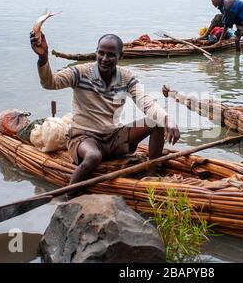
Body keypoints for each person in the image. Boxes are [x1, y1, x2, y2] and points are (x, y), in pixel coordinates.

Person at [30, 31, 180, 198]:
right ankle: (68, 196)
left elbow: (146, 102)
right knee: (94, 156)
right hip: (84, 137)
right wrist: (43, 58)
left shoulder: (126, 77)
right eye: (101, 53)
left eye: (111, 55)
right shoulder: (80, 73)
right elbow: (50, 83)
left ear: (120, 56)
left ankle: (151, 177)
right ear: (96, 52)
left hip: (113, 136)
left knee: (156, 122)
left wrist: (168, 119)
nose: (104, 58)